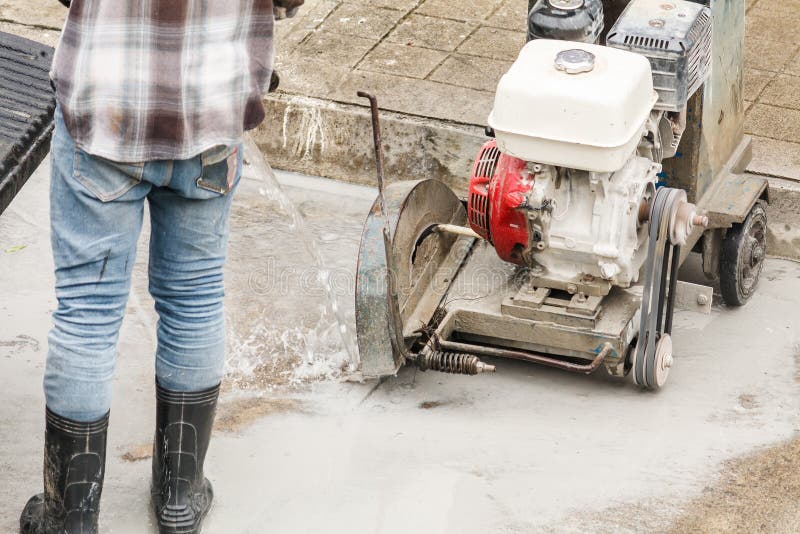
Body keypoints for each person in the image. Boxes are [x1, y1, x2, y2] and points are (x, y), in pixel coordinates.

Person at [20, 1, 303, 533]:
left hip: (106, 105)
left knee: (86, 314)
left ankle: (68, 520)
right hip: (211, 114)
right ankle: (179, 497)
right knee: (195, 299)